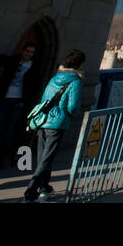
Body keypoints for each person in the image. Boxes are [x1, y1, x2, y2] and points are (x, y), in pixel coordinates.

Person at [23, 49, 85, 203]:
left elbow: (45, 98)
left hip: (43, 121)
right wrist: (71, 114)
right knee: (47, 159)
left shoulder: (55, 78)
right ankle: (30, 192)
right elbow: (73, 107)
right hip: (57, 123)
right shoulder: (75, 81)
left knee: (43, 157)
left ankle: (44, 187)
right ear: (80, 64)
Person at [0, 39, 43, 168]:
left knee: (10, 130)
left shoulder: (34, 67)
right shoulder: (13, 61)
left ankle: (13, 156)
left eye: (32, 52)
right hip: (5, 99)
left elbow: (36, 86)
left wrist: (24, 101)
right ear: (23, 51)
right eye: (27, 51)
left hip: (18, 102)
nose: (29, 54)